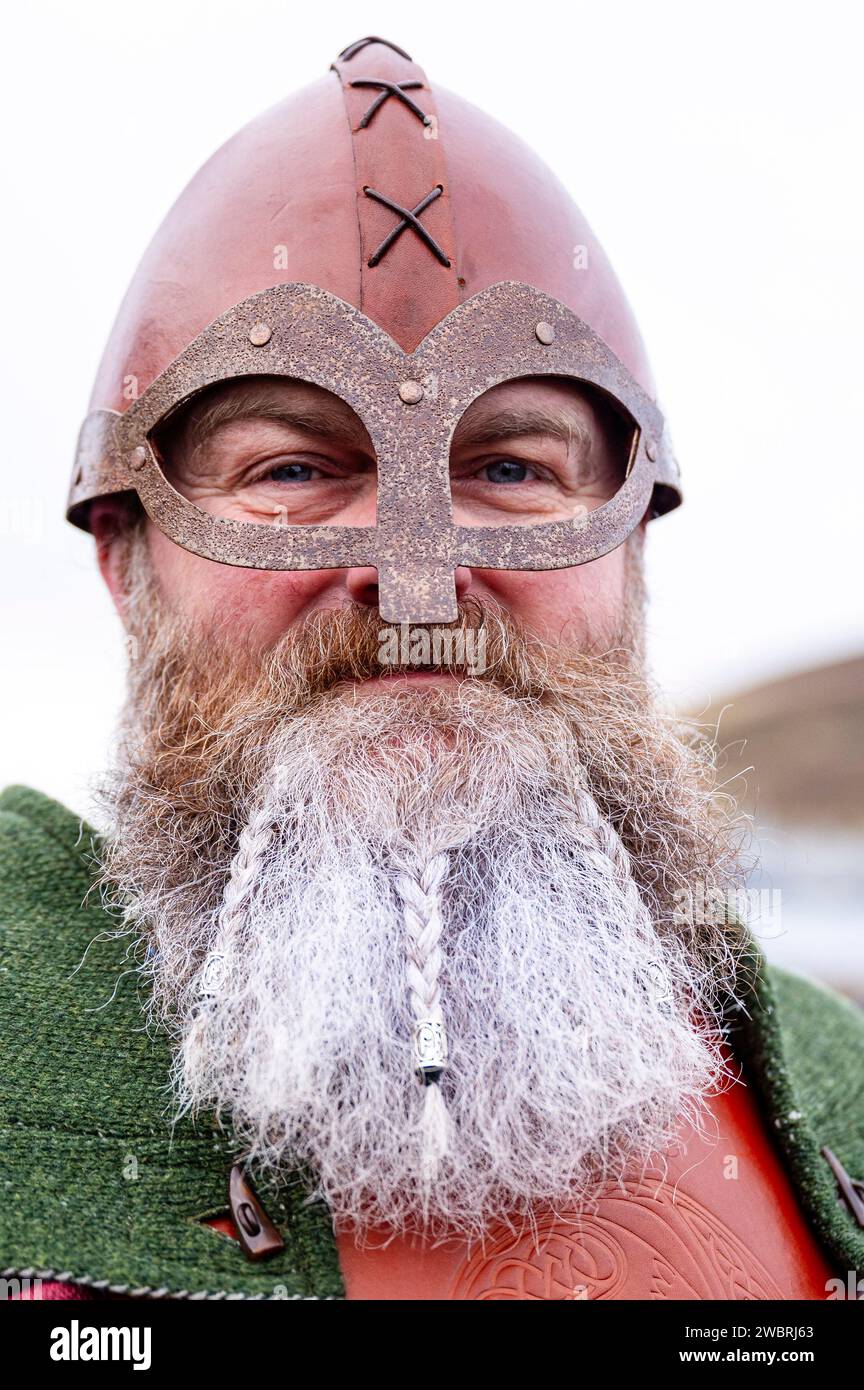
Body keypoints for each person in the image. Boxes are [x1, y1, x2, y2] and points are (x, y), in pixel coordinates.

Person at [2, 36, 862, 1302]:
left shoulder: (836, 1084)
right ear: (127, 566)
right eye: (292, 471)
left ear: (629, 560)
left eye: (511, 469)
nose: (416, 580)